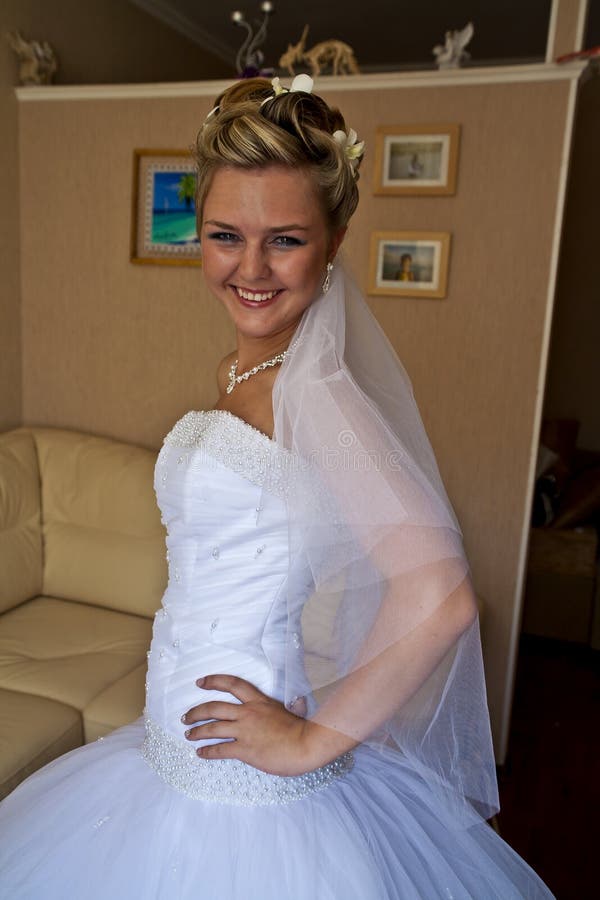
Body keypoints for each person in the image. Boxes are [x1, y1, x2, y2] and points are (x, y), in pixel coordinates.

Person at [0, 75, 555, 899]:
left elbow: (441, 596)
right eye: (226, 234)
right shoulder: (245, 368)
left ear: (332, 244)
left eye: (285, 240)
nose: (250, 268)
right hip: (170, 744)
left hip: (246, 785)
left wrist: (307, 741)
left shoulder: (322, 398)